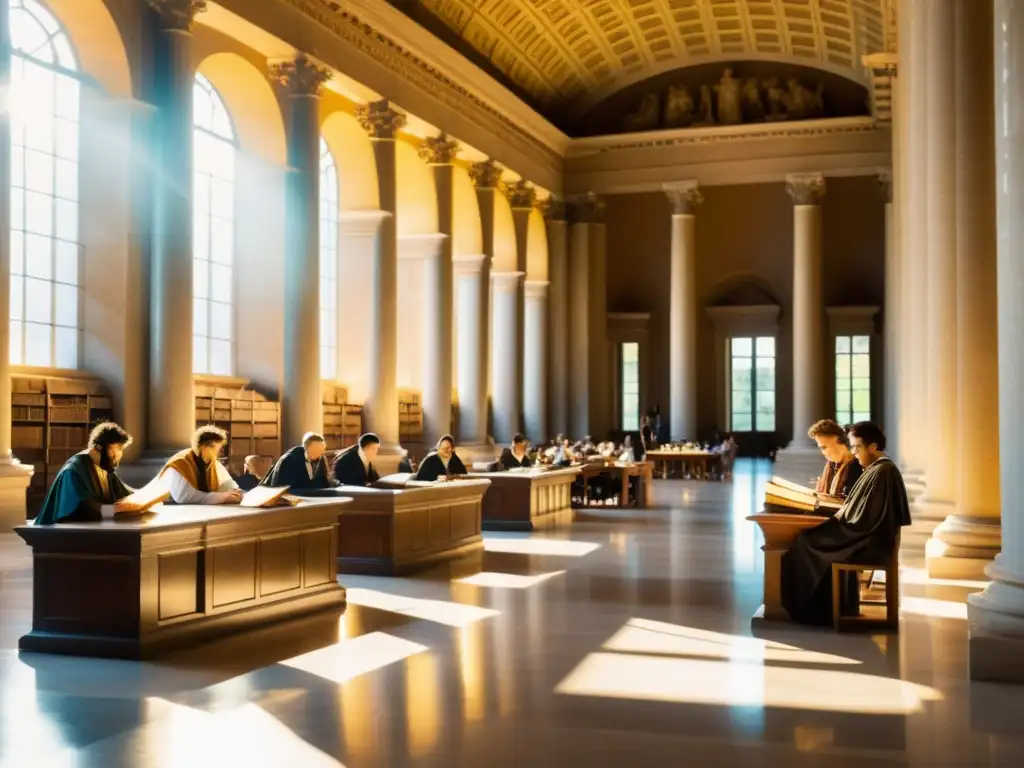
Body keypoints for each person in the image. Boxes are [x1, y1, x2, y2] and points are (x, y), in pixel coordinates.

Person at [781, 421, 911, 626]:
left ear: (873, 447)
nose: (854, 453)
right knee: (809, 539)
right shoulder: (878, 469)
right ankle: (817, 607)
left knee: (805, 542)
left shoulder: (881, 471)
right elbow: (859, 512)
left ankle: (813, 612)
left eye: (857, 448)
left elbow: (862, 520)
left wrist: (829, 524)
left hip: (869, 545)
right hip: (868, 538)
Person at [34, 422, 138, 525]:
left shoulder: (105, 467)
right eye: (113, 453)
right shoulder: (73, 471)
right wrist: (116, 510)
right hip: (61, 534)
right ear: (98, 448)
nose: (117, 459)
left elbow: (126, 495)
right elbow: (86, 508)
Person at [159, 425, 243, 505]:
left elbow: (227, 484)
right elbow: (182, 496)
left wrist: (236, 492)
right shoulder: (180, 463)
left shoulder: (213, 463)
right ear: (205, 446)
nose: (220, 450)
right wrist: (223, 497)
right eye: (217, 446)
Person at [808, 419, 863, 499]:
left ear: (838, 441)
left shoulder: (857, 466)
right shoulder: (832, 464)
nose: (822, 452)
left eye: (823, 447)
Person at [260, 432, 335, 490]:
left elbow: (325, 482)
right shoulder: (289, 460)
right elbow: (283, 486)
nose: (321, 453)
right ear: (307, 448)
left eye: (322, 450)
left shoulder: (320, 458)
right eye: (318, 450)